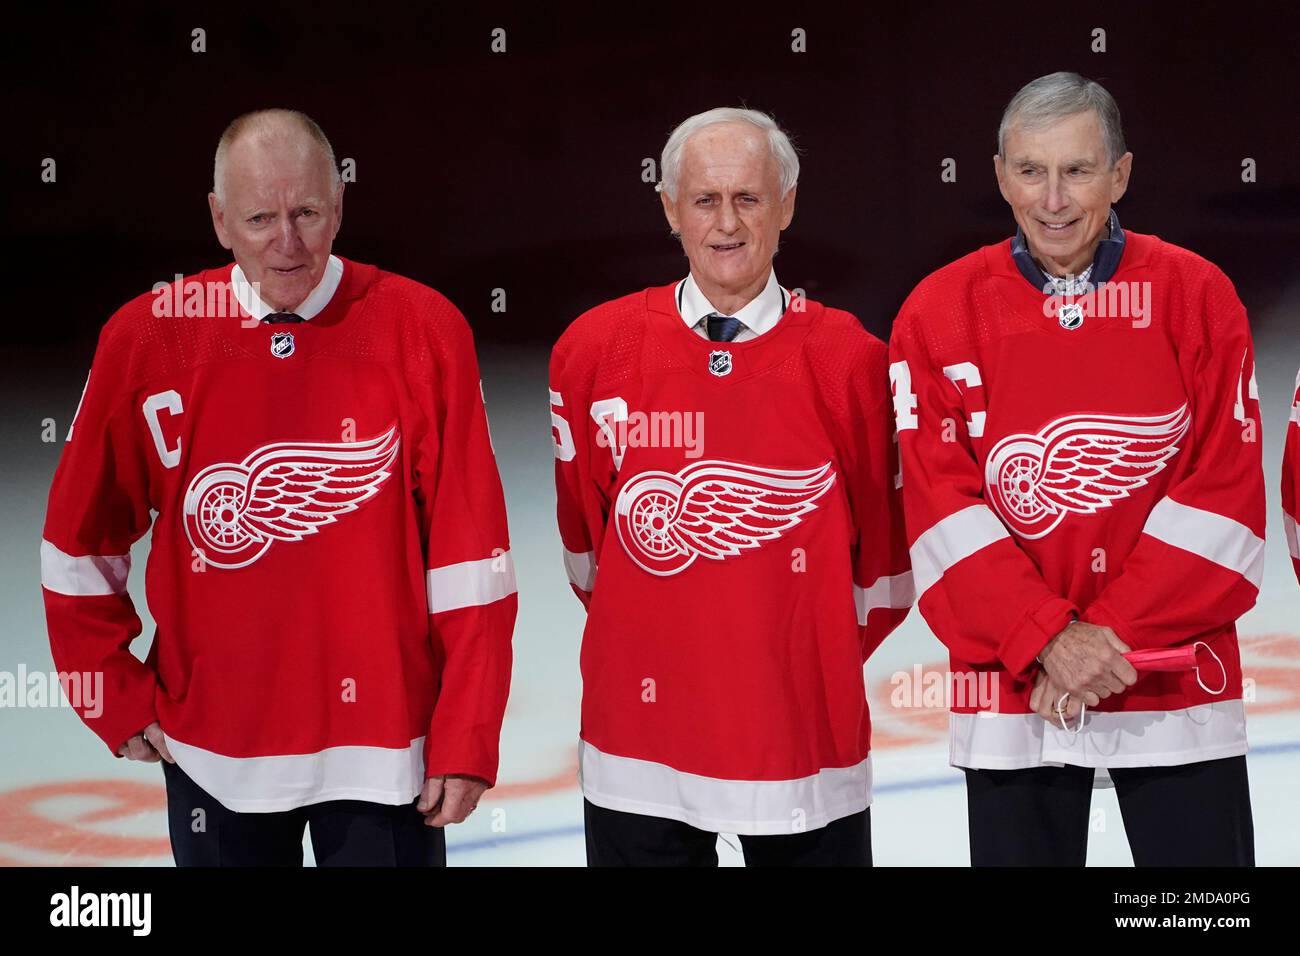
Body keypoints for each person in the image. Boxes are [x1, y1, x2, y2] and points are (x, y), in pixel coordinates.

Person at [40, 109, 517, 866]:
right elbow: (77, 541)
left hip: (387, 755)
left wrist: (467, 732)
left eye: (307, 214)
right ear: (220, 219)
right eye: (261, 218)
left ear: (341, 206)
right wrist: (110, 692)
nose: (287, 243)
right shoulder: (148, 336)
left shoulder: (424, 329)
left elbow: (471, 558)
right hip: (212, 752)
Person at [889, 72, 1262, 866]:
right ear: (998, 176)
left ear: (1121, 173)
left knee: (1200, 920)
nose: (1052, 198)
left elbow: (1225, 502)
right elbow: (937, 513)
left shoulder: (1197, 296)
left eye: (1078, 170)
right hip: (1014, 689)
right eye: (1030, 171)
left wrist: (1099, 639)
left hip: (1172, 684)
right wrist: (1048, 637)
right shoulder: (937, 312)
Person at [549, 107, 912, 866]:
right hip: (638, 745)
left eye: (748, 198)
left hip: (800, 739)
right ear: (669, 208)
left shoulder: (852, 361)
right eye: (705, 199)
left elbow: (881, 571)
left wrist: (789, 657)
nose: (726, 222)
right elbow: (590, 549)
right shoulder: (592, 351)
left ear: (787, 205)